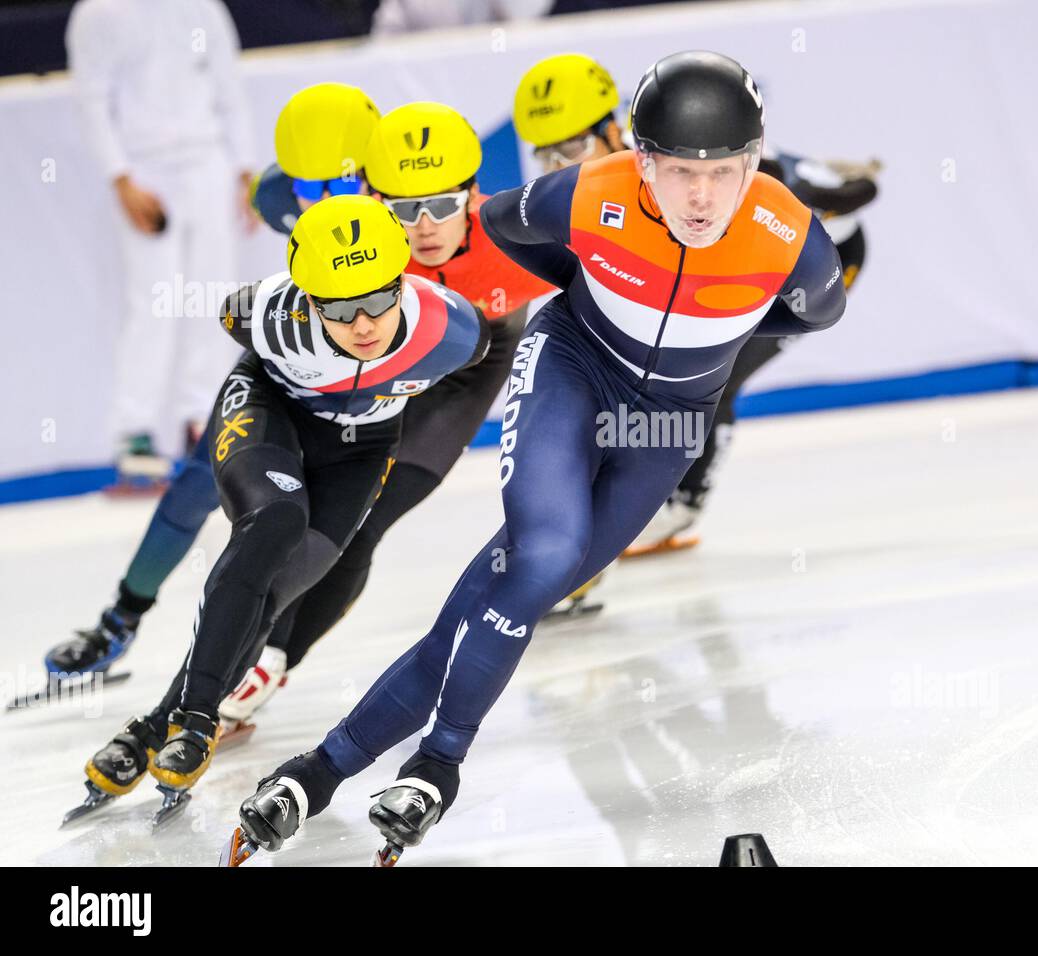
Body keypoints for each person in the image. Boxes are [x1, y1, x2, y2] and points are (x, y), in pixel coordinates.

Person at [227, 50, 847, 866]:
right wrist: (589, 287)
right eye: (680, 172)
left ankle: (321, 769)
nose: (702, 196)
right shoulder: (591, 192)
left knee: (516, 578)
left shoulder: (789, 236)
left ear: (754, 163)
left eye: (725, 172)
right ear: (640, 158)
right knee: (549, 547)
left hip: (666, 423)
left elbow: (814, 315)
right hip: (574, 370)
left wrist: (717, 332)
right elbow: (504, 228)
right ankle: (438, 763)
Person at [67, 196, 491, 824]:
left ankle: (157, 723)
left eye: (378, 299)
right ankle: (198, 716)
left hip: (362, 447)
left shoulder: (454, 333)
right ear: (309, 300)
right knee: (273, 523)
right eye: (341, 311)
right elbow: (234, 321)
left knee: (280, 593)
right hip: (272, 408)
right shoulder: (263, 314)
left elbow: (480, 353)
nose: (365, 324)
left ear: (405, 281)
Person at [219, 101, 554, 730]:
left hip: (466, 375)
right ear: (373, 199)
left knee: (366, 525)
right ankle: (237, 645)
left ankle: (270, 660)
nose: (425, 228)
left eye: (442, 207)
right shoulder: (356, 241)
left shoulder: (520, 240)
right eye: (404, 209)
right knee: (314, 515)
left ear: (473, 194)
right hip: (376, 356)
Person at [40, 83, 383, 693]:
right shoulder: (275, 192)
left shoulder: (404, 202)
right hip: (289, 369)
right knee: (200, 483)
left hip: (372, 393)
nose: (325, 202)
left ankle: (258, 665)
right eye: (313, 189)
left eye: (342, 185)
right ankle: (122, 617)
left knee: (335, 539)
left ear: (376, 176)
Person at [511, 52, 879, 616]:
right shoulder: (614, 175)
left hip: (805, 271)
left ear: (611, 129)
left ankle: (682, 502)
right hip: (714, 276)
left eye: (572, 145)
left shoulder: (717, 162)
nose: (560, 161)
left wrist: (833, 188)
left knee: (714, 372)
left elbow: (845, 192)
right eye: (548, 153)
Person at [66, 0, 256, 480]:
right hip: (146, 168)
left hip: (207, 160)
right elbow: (91, 99)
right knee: (153, 299)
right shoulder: (98, 14)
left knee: (212, 295)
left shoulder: (201, 7)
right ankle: (135, 428)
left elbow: (228, 86)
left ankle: (204, 419)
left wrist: (245, 170)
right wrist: (120, 178)